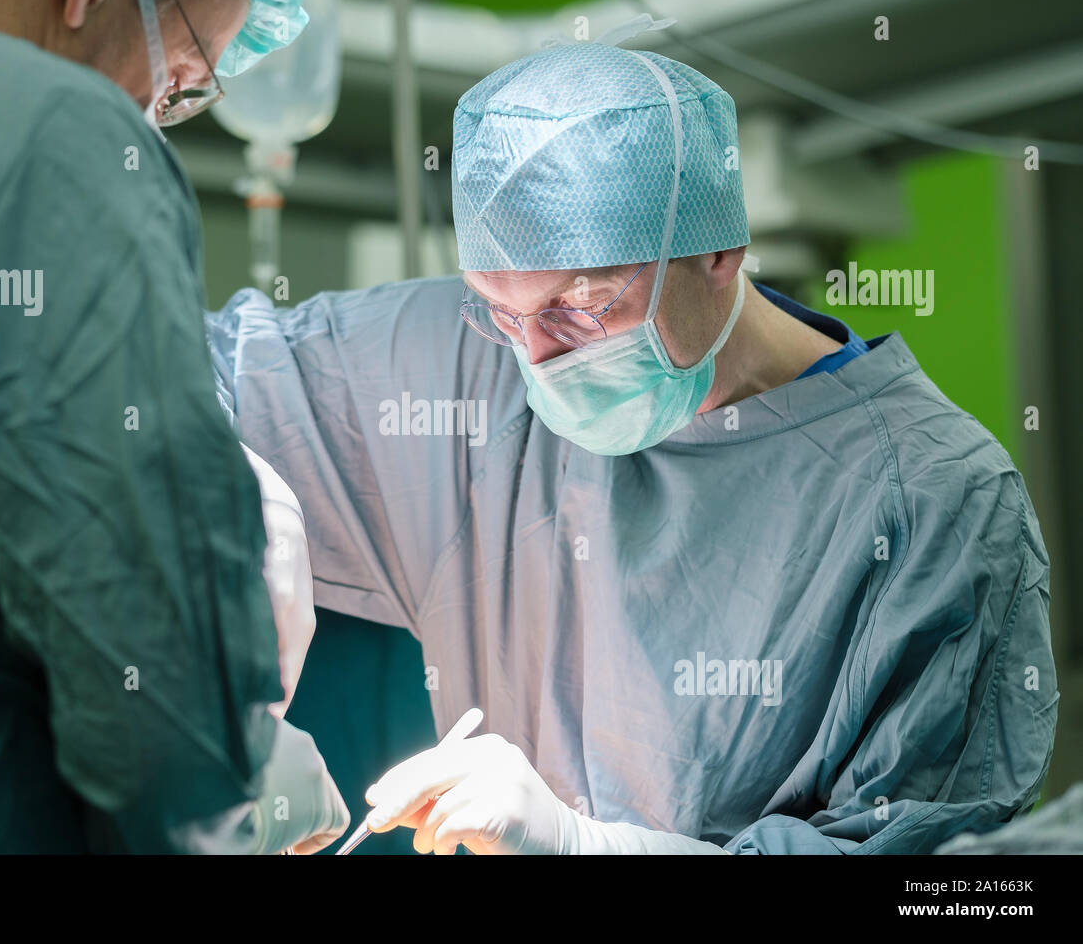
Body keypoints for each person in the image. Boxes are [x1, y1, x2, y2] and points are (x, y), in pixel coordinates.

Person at [206, 42, 1058, 853]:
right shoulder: (468, 369)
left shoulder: (933, 504)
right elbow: (166, 370)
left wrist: (584, 846)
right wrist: (225, 478)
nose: (536, 359)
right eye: (500, 309)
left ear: (719, 249)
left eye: (583, 307)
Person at [0, 0, 347, 853]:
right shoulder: (49, 130)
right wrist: (245, 782)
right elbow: (153, 707)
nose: (154, 122)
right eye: (181, 78)